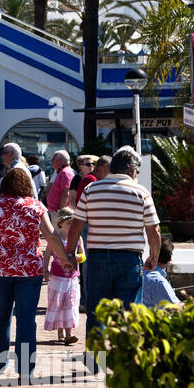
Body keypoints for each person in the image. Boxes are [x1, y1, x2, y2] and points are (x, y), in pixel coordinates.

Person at [0, 167, 71, 380]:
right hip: (29, 270)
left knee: (1, 316)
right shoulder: (36, 206)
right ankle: (25, 366)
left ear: (4, 184)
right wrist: (64, 259)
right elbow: (51, 237)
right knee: (26, 318)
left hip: (0, 269)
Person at [66, 146, 161, 344]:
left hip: (98, 258)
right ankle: (125, 361)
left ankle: (95, 360)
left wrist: (69, 255)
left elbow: (75, 226)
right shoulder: (141, 192)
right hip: (129, 259)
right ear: (129, 169)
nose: (136, 175)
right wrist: (154, 256)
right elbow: (154, 231)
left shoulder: (92, 190)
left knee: (96, 312)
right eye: (136, 171)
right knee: (129, 313)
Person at [43, 208, 82, 345]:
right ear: (60, 223)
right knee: (58, 304)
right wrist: (45, 271)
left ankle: (69, 334)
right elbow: (47, 255)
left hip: (72, 278)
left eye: (74, 223)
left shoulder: (78, 238)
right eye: (69, 223)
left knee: (70, 304)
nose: (72, 226)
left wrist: (79, 257)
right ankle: (60, 331)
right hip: (57, 277)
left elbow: (83, 256)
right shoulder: (55, 239)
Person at [142, 240, 178, 308]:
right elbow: (174, 307)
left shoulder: (140, 272)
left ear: (151, 254)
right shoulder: (158, 280)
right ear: (170, 259)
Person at [45, 150, 75, 223]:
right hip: (56, 211)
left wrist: (61, 212)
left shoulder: (65, 172)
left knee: (59, 234)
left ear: (59, 161)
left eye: (53, 159)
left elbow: (66, 193)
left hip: (59, 212)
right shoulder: (63, 172)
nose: (51, 161)